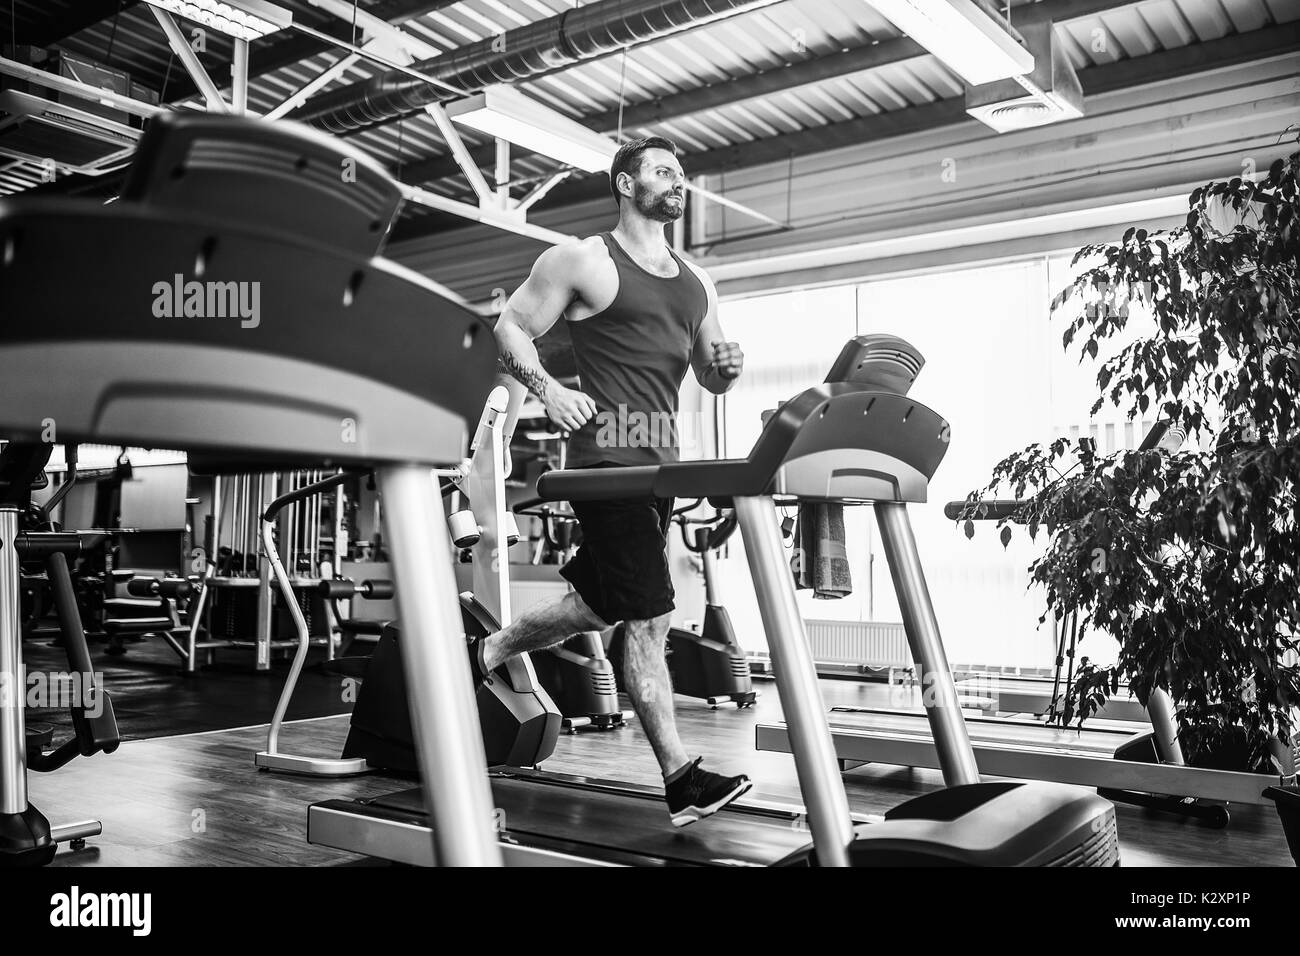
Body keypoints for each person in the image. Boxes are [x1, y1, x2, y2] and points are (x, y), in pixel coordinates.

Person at [487, 136, 749, 827]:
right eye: (664, 170)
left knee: (597, 605)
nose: (679, 180)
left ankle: (486, 651)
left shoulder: (697, 282)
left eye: (682, 171)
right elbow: (509, 328)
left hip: (660, 469)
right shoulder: (582, 260)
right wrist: (547, 390)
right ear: (627, 183)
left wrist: (727, 366)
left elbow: (709, 376)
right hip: (606, 466)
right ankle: (680, 779)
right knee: (652, 615)